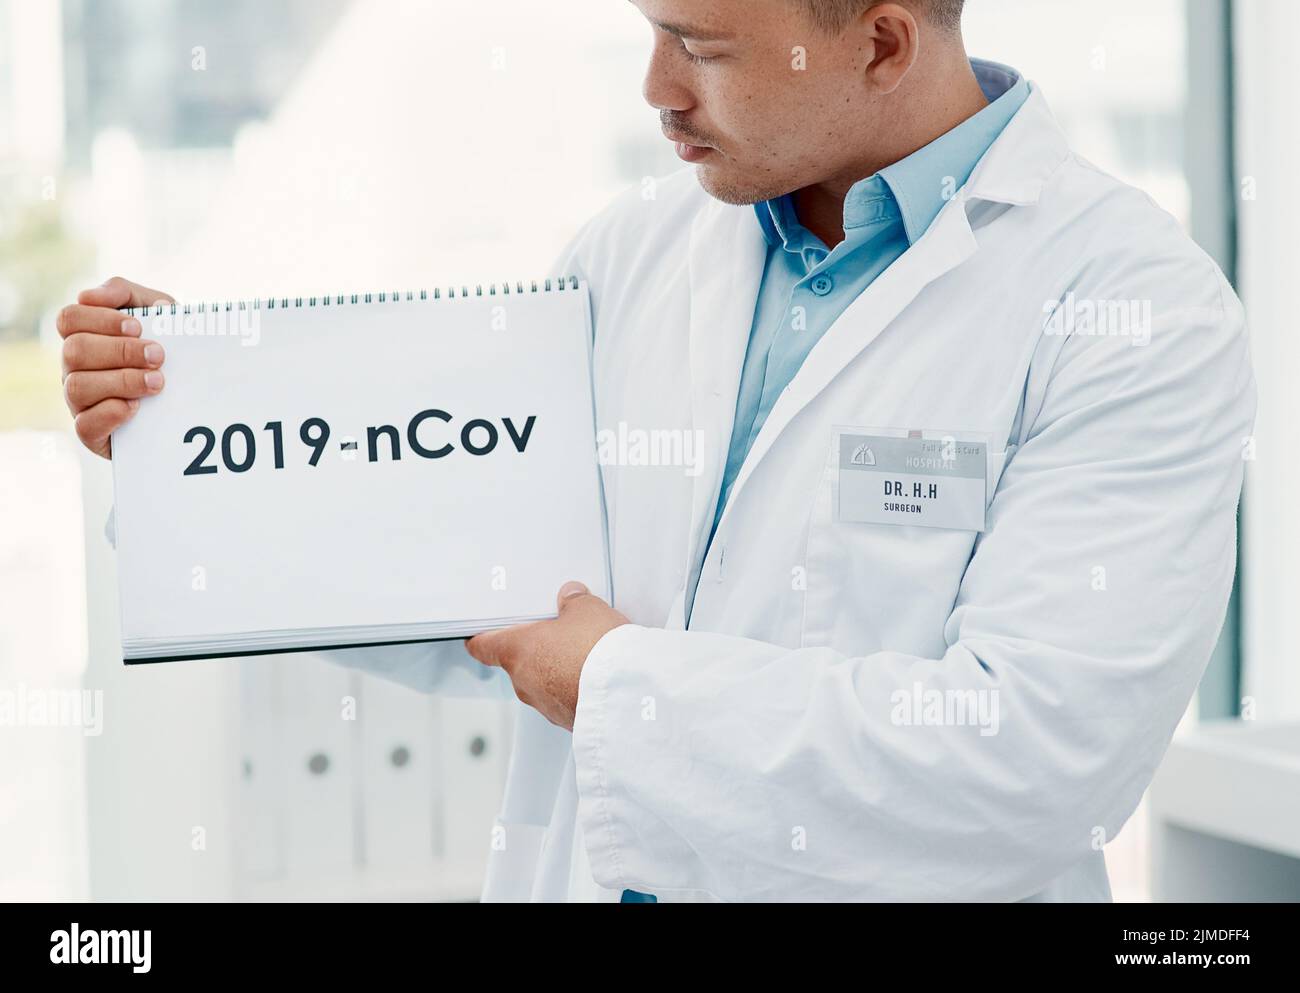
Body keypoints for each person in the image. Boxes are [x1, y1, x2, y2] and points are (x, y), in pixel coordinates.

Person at [57, 0, 1255, 902]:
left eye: (705, 48)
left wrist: (617, 683)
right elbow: (467, 574)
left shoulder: (1131, 308)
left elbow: (1039, 758)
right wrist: (197, 444)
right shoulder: (629, 255)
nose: (656, 87)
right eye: (650, 30)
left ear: (882, 44)